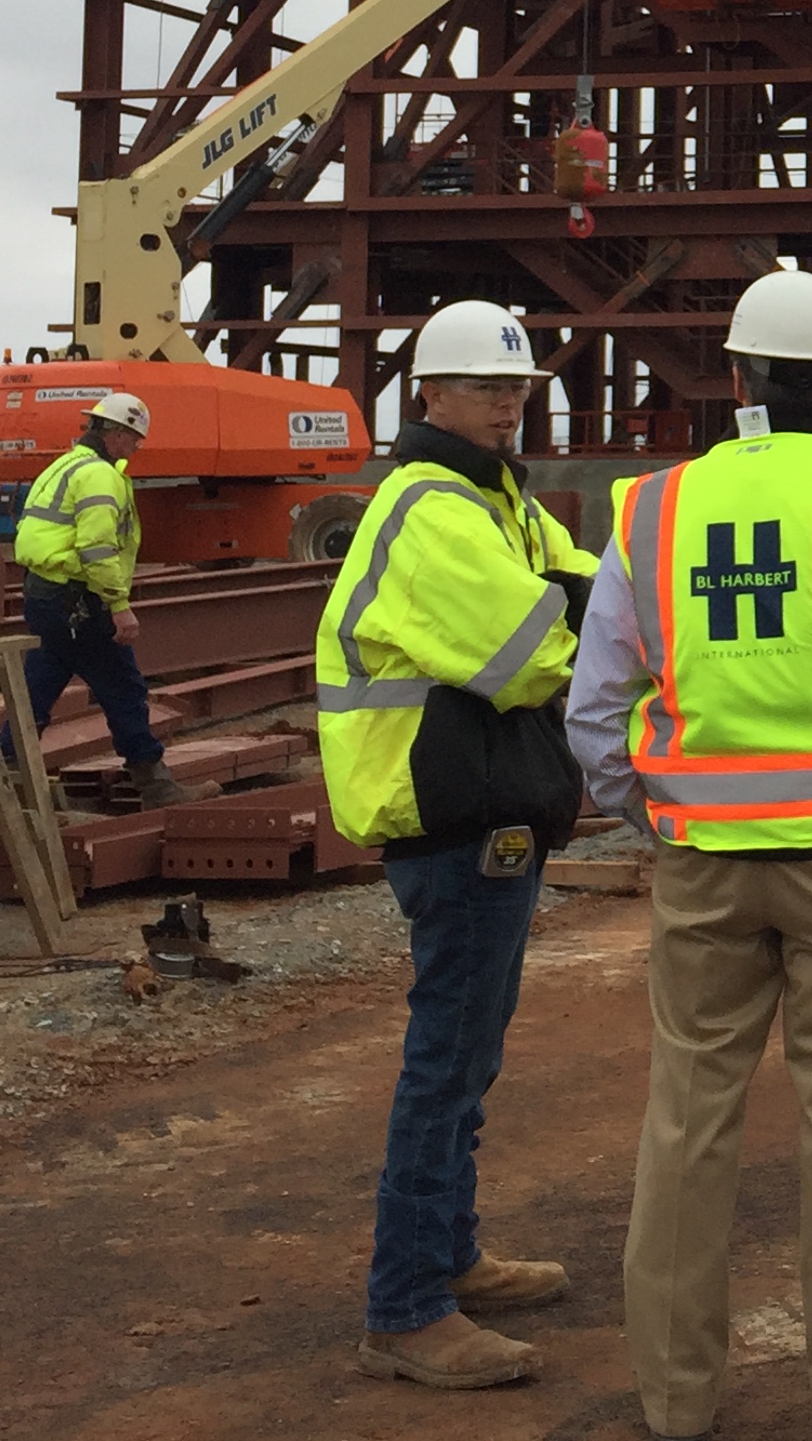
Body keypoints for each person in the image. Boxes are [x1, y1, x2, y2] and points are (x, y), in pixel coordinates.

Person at [568, 263, 812, 1441]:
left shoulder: (651, 510)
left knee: (688, 1108)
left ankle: (676, 1400)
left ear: (736, 375)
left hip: (704, 860)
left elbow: (599, 704)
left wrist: (648, 813)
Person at [316, 300, 599, 1392]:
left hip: (487, 814)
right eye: (488, 388)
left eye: (519, 389)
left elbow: (583, 584)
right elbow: (533, 648)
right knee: (443, 1066)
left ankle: (453, 1256)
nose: (507, 403)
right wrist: (580, 612)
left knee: (468, 1058)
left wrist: (582, 600)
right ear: (428, 393)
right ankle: (406, 1308)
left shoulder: (496, 501)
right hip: (448, 825)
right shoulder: (433, 509)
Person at [12, 389, 189, 806]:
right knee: (123, 687)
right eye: (134, 438)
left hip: (45, 596)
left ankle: (9, 782)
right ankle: (156, 786)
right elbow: (96, 547)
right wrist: (119, 606)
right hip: (79, 602)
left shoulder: (64, 466)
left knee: (39, 686)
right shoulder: (99, 474)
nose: (136, 447)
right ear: (116, 434)